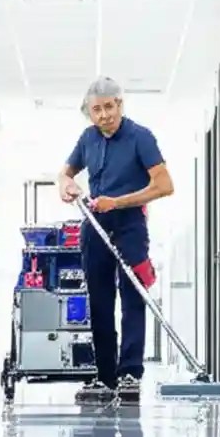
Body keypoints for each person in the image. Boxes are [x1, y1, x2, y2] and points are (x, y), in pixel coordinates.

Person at [58, 77, 173, 402]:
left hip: (130, 223)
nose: (105, 114)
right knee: (99, 298)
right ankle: (104, 376)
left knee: (133, 295)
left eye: (110, 107)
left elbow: (164, 186)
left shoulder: (141, 137)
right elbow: (65, 172)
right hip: (96, 222)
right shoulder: (87, 139)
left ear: (120, 105)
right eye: (97, 109)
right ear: (89, 113)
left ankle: (129, 373)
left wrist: (118, 201)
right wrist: (66, 184)